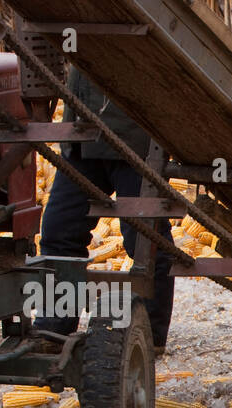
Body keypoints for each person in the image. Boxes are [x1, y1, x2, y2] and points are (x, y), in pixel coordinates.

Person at [35, 68, 175, 354]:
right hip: (82, 133)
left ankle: (151, 337)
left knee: (146, 240)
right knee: (58, 231)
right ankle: (53, 328)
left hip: (135, 136)